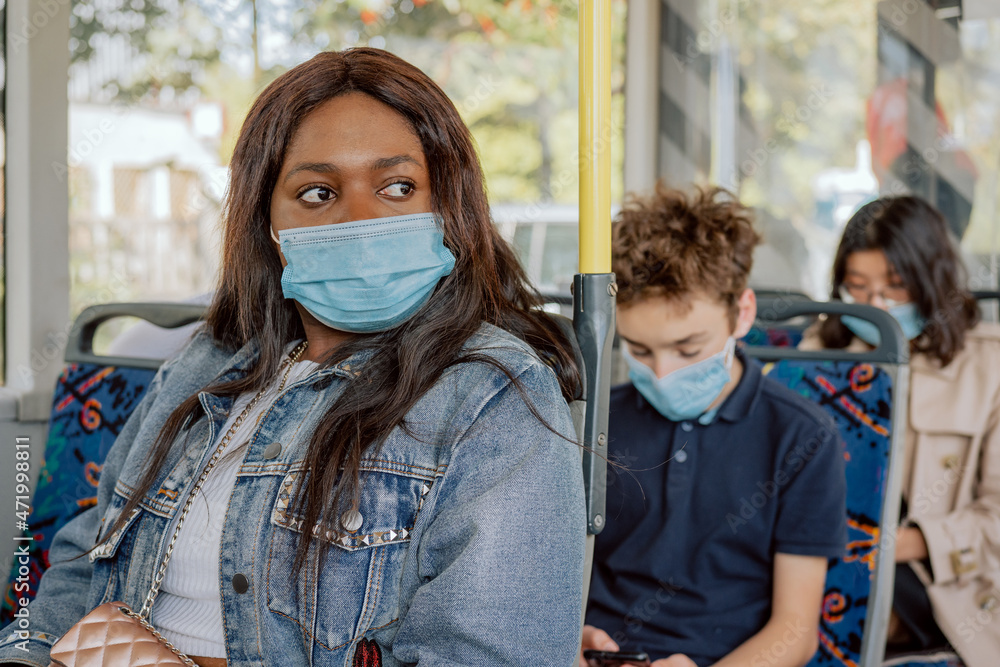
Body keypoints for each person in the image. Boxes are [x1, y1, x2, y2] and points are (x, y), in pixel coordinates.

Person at [0, 48, 587, 667]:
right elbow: (86, 556)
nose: (359, 219)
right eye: (317, 192)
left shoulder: (493, 396)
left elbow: (488, 655)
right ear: (268, 224)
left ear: (450, 209)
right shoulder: (210, 361)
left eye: (397, 187)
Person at [580, 184, 847, 667]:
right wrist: (570, 638)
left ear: (741, 313)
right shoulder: (595, 424)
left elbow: (795, 632)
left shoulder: (801, 438)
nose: (662, 374)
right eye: (639, 351)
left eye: (688, 349)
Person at [800, 195, 1000, 667]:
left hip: (940, 577)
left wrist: (899, 543)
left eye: (895, 287)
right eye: (858, 287)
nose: (876, 306)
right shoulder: (812, 359)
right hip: (813, 559)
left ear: (932, 283)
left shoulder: (988, 368)